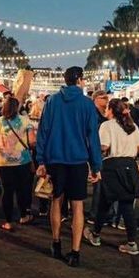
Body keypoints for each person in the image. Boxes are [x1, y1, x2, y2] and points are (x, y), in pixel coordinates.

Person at [36, 66, 102, 267]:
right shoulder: (87, 104)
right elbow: (92, 137)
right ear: (80, 80)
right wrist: (96, 165)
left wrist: (40, 160)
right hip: (78, 160)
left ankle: (56, 242)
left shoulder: (52, 101)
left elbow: (43, 131)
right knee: (78, 206)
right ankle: (75, 251)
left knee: (56, 201)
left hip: (55, 159)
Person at [83, 99, 139, 256]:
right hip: (130, 166)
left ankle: (97, 235)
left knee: (107, 202)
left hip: (112, 166)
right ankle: (126, 241)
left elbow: (104, 146)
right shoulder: (132, 126)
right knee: (125, 204)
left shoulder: (107, 125)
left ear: (111, 110)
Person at [0, 96, 35, 230]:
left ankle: (8, 221)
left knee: (7, 191)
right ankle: (23, 216)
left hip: (2, 162)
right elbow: (32, 142)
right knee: (22, 189)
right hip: (22, 161)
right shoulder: (26, 121)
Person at [88, 90, 109, 223]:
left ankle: (99, 213)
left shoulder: (103, 114)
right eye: (103, 97)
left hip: (103, 152)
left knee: (102, 184)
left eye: (107, 97)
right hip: (97, 151)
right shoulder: (94, 115)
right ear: (95, 99)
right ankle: (94, 215)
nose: (106, 99)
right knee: (99, 184)